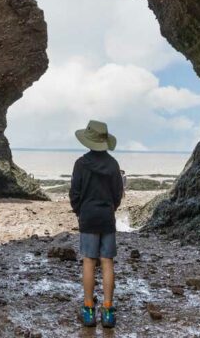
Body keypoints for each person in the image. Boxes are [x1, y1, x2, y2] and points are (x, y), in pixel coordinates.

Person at [69, 120, 124, 328]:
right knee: (107, 261)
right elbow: (118, 193)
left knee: (89, 261)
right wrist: (110, 208)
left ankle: (88, 309)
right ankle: (108, 311)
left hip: (88, 217)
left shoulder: (81, 163)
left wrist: (80, 211)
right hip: (107, 217)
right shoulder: (113, 164)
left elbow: (74, 193)